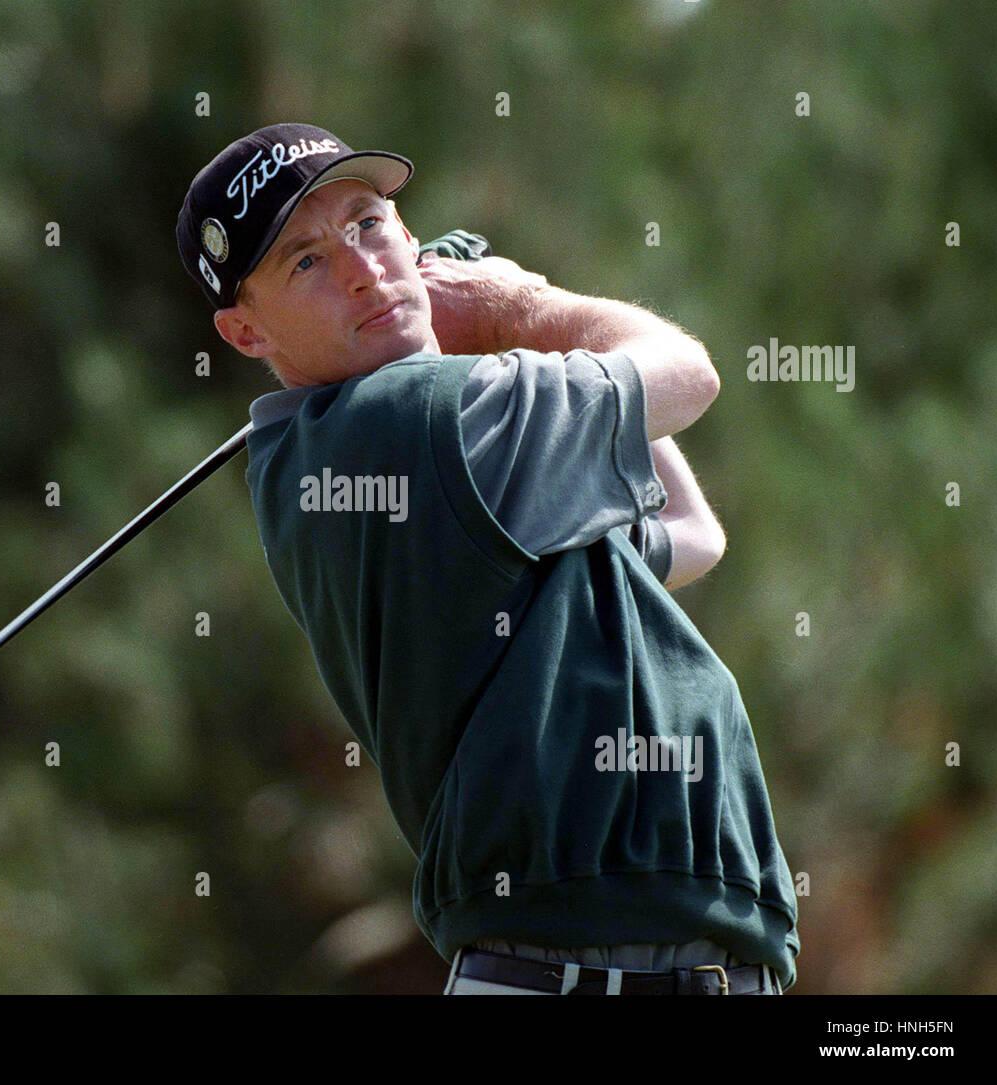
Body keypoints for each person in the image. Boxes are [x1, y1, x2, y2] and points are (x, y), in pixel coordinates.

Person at [176, 123, 799, 994]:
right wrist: (521, 309)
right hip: (577, 970)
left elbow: (692, 534)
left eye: (368, 223)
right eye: (305, 262)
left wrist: (502, 344)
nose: (361, 267)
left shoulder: (408, 442)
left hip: (677, 963)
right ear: (246, 333)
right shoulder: (408, 420)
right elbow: (687, 375)